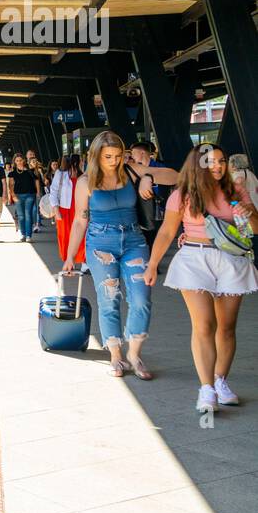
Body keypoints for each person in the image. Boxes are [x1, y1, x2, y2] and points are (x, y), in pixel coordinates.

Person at [146, 144, 258, 413]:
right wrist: (152, 265)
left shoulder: (236, 190)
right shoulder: (182, 195)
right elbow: (167, 232)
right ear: (198, 165)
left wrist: (248, 213)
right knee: (204, 325)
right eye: (212, 161)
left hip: (231, 260)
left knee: (227, 327)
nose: (218, 166)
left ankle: (221, 382)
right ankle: (206, 388)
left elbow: (254, 228)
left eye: (222, 161)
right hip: (195, 259)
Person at [62, 131, 176, 379]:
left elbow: (173, 176)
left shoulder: (131, 170)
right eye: (108, 157)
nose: (114, 161)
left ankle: (134, 354)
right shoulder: (86, 182)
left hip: (134, 240)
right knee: (109, 298)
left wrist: (146, 175)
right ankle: (116, 355)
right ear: (96, 156)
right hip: (101, 243)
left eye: (117, 155)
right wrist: (71, 256)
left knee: (141, 298)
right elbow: (81, 221)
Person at [50, 154, 86, 268]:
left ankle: (83, 260)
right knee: (65, 235)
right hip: (64, 209)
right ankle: (69, 260)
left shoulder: (84, 175)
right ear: (75, 162)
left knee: (82, 234)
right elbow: (53, 192)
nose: (82, 162)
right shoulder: (60, 174)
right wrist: (56, 210)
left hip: (80, 208)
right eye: (80, 160)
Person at [7, 153, 41, 242]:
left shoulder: (30, 170)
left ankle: (28, 235)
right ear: (14, 162)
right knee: (21, 216)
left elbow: (36, 180)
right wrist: (13, 195)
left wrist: (38, 192)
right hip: (18, 196)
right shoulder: (12, 173)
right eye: (17, 161)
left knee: (28, 215)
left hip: (30, 194)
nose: (19, 162)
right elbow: (10, 185)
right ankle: (23, 234)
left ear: (24, 160)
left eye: (20, 160)